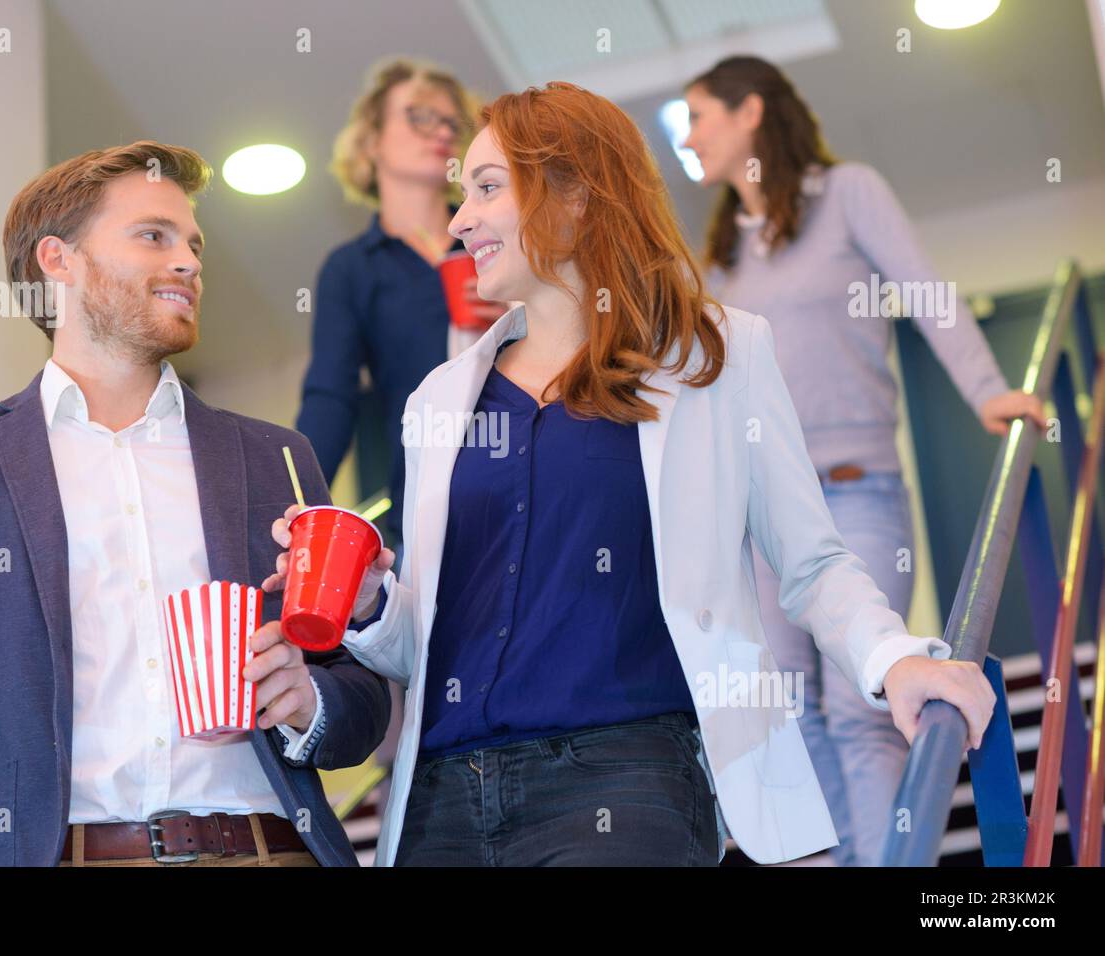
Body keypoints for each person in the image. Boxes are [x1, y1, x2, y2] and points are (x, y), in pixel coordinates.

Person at [262, 83, 1000, 867]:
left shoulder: (715, 356)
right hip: (440, 802)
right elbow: (427, 643)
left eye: (485, 189)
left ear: (575, 193)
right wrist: (375, 600)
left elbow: (812, 561)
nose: (458, 220)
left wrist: (897, 658)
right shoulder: (439, 399)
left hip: (624, 782)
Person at [0, 141, 390, 867]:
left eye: (194, 244)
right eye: (154, 236)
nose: (189, 262)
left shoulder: (277, 459)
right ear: (59, 260)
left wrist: (308, 700)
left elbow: (360, 698)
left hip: (270, 849)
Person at [680, 55, 1046, 865]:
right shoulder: (721, 258)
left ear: (748, 113)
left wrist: (988, 390)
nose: (689, 137)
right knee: (794, 712)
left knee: (859, 702)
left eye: (698, 115)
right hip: (759, 522)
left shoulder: (849, 194)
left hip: (855, 492)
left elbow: (927, 291)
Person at [296, 56, 503, 550]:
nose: (443, 131)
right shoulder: (351, 268)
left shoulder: (498, 230)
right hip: (423, 500)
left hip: (523, 470)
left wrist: (520, 315)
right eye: (419, 115)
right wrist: (291, 503)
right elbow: (331, 400)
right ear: (371, 141)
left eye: (452, 121)